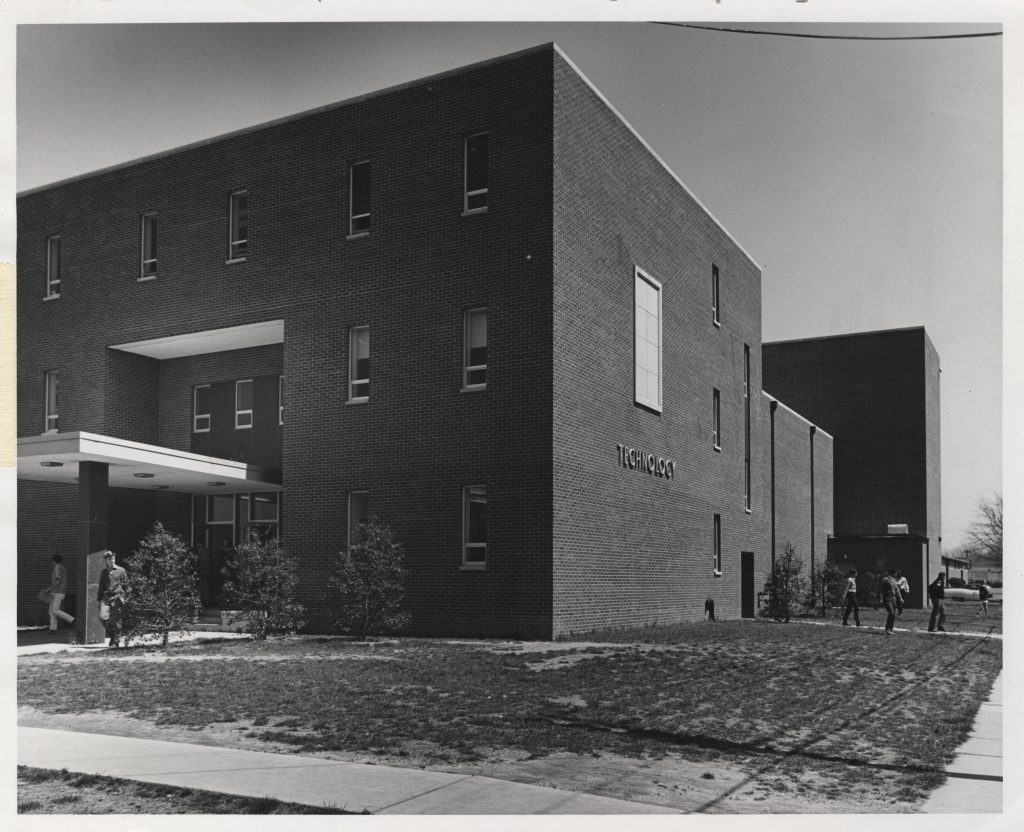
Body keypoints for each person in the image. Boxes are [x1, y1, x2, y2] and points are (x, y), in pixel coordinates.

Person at [97, 550, 128, 647]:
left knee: (117, 621)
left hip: (117, 597)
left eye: (113, 558)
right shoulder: (104, 572)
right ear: (106, 560)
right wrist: (99, 600)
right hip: (106, 598)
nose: (112, 560)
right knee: (103, 618)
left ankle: (116, 642)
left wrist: (126, 597)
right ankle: (113, 637)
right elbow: (101, 587)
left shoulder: (121, 570)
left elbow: (126, 585)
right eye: (110, 559)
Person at [46, 554, 75, 631]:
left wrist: (49, 588)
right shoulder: (62, 568)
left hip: (57, 591)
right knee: (51, 611)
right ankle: (53, 629)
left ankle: (72, 619)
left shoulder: (57, 568)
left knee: (55, 610)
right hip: (59, 591)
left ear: (54, 561)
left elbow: (58, 579)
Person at [880, 568, 901, 636]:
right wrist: (881, 598)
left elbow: (897, 590)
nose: (896, 574)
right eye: (896, 573)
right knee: (891, 613)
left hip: (893, 599)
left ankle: (890, 629)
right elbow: (881, 590)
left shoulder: (894, 580)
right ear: (893, 573)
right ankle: (887, 629)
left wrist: (900, 598)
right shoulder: (885, 580)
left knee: (893, 615)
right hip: (887, 598)